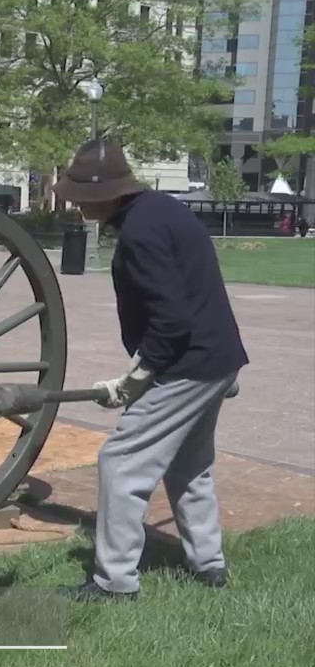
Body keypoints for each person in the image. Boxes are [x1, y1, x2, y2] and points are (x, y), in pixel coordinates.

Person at [49, 139, 249, 602]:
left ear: (106, 191)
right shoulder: (161, 211)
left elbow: (172, 320)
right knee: (189, 465)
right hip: (214, 358)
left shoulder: (140, 230)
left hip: (189, 364)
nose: (75, 201)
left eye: (80, 193)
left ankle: (114, 582)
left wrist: (138, 377)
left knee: (121, 461)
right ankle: (209, 564)